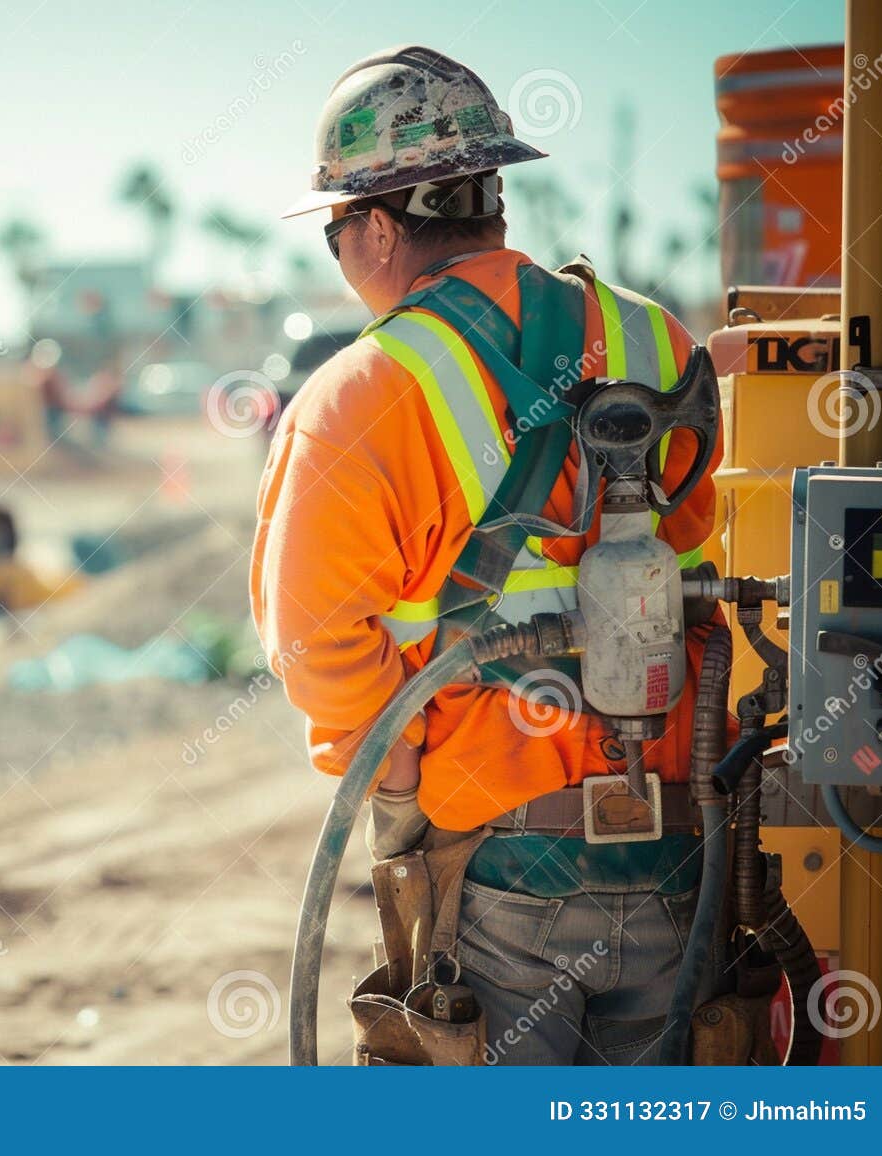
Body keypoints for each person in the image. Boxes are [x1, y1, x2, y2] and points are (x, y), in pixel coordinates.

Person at [251, 46, 722, 1065]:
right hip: (682, 845)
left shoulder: (358, 396)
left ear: (375, 224)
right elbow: (692, 554)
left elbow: (313, 642)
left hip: (498, 860)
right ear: (491, 198)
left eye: (335, 231)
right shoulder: (658, 346)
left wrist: (397, 773)